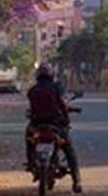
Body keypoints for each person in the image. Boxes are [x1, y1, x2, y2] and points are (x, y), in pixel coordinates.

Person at [25, 64, 82, 193]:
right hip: (54, 125)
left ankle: (31, 162)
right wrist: (66, 120)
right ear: (51, 75)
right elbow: (62, 105)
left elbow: (31, 109)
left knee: (29, 140)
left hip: (36, 126)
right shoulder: (55, 89)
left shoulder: (32, 91)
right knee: (69, 151)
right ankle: (76, 181)